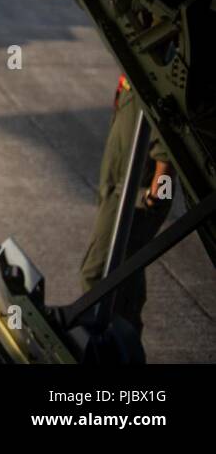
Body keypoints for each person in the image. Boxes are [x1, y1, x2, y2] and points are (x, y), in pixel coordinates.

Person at [78, 75, 174, 340]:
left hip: (135, 195)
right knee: (122, 275)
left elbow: (168, 155)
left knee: (99, 274)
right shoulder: (134, 70)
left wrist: (155, 196)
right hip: (119, 188)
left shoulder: (155, 68)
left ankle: (117, 349)